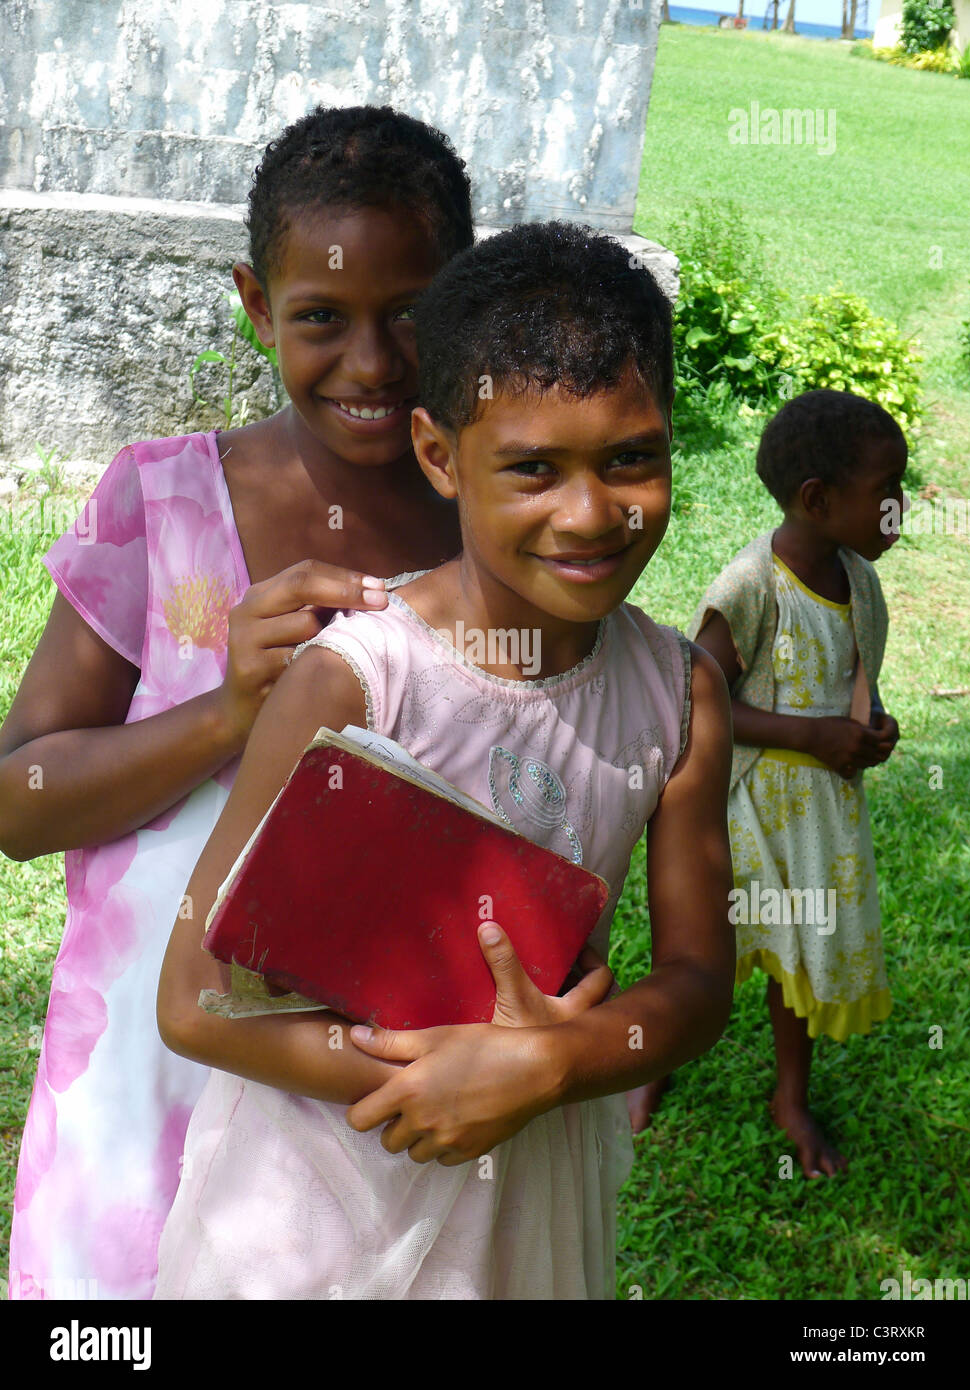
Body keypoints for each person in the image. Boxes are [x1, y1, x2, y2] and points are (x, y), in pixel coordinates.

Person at [153, 220, 735, 1301]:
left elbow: (699, 984)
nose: (591, 512)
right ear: (438, 454)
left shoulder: (679, 695)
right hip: (307, 1205)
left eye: (631, 459)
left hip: (527, 1189)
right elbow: (192, 998)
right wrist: (447, 1077)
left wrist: (555, 1063)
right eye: (532, 469)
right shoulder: (360, 682)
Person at [0, 104, 473, 1300]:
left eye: (409, 314)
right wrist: (227, 712)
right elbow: (19, 800)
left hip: (363, 1118)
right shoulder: (162, 505)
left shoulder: (501, 537)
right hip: (137, 1102)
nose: (371, 364)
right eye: (321, 317)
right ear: (256, 304)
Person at [687, 389, 903, 1178]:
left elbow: (855, 681)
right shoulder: (753, 585)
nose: (899, 507)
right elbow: (697, 698)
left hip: (817, 822)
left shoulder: (859, 582)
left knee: (795, 959)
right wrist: (810, 736)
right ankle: (649, 1064)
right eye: (886, 489)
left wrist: (871, 726)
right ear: (817, 499)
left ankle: (790, 1098)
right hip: (742, 806)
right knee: (706, 948)